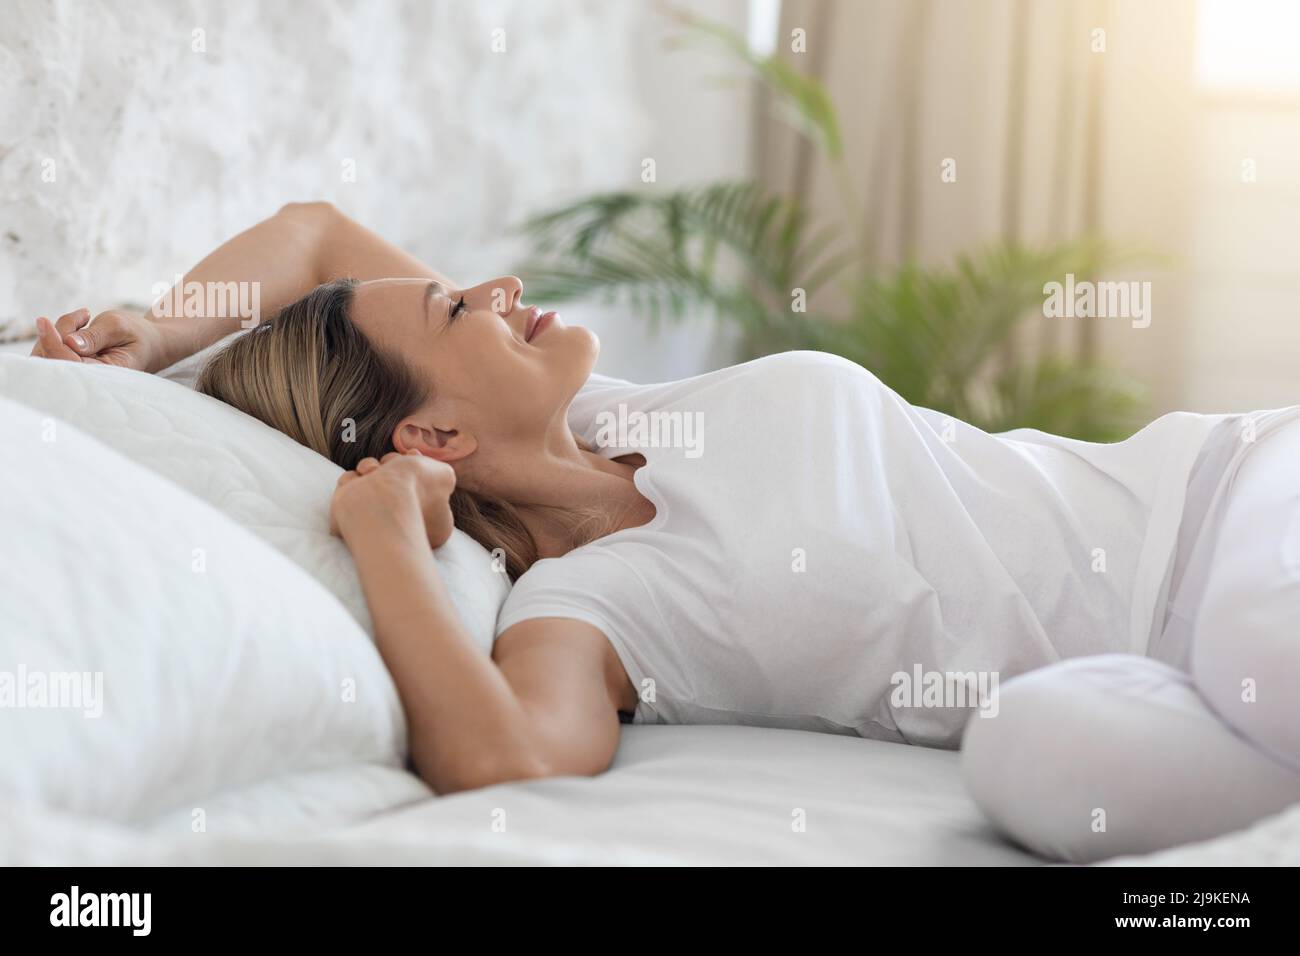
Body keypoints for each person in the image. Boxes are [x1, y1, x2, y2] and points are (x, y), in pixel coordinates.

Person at [31, 201, 1300, 862]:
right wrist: (383, 546)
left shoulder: (613, 404)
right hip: (1159, 681)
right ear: (435, 443)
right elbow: (506, 762)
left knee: (1267, 635)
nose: (507, 288)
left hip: (1233, 498)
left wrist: (167, 323)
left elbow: (309, 231)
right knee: (1034, 766)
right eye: (464, 306)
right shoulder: (588, 610)